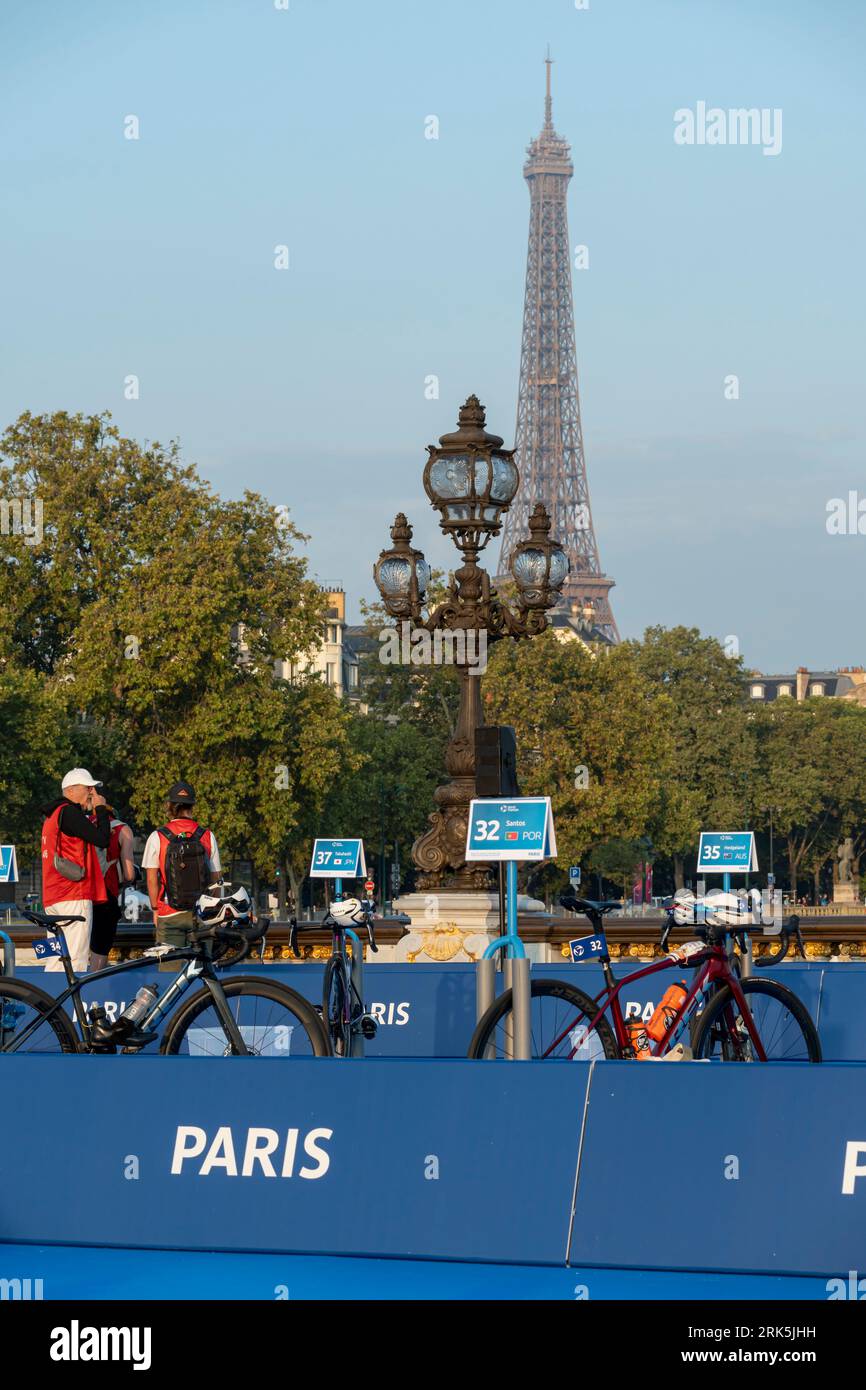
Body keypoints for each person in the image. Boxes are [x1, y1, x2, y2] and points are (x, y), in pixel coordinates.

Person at [40, 769, 109, 972]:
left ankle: (49, 1003)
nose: (91, 792)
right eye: (88, 787)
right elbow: (102, 839)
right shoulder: (69, 812)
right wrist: (101, 809)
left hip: (54, 895)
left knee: (56, 959)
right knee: (75, 960)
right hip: (73, 895)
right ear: (71, 790)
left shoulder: (52, 815)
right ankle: (70, 1004)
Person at [141, 782, 221, 952]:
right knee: (202, 968)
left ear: (169, 805)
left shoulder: (157, 836)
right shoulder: (207, 835)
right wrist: (213, 910)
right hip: (201, 913)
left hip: (169, 912)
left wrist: (155, 909)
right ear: (192, 806)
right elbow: (216, 878)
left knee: (170, 970)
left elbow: (151, 879)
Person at [89, 793, 136, 972]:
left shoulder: (83, 826)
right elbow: (129, 874)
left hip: (82, 894)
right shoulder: (123, 830)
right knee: (100, 948)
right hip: (106, 895)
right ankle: (94, 986)